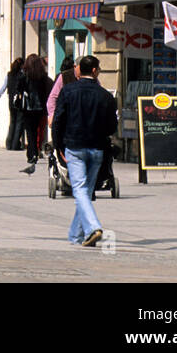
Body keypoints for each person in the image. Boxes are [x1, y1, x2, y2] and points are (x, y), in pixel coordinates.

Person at [51, 55, 117, 247]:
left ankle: (93, 228)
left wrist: (58, 146)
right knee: (85, 191)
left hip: (74, 145)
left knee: (79, 190)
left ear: (80, 69)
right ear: (95, 71)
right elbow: (112, 126)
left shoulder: (68, 91)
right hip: (97, 147)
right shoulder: (105, 96)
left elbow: (58, 120)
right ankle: (76, 235)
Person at [20, 54, 53, 173]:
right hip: (41, 109)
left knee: (30, 132)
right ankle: (37, 151)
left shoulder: (24, 77)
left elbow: (18, 91)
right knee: (40, 130)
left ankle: (31, 154)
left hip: (28, 109)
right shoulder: (44, 77)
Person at [0, 57, 26, 152]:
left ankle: (9, 143)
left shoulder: (9, 75)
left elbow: (3, 87)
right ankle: (15, 144)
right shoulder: (22, 76)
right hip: (19, 101)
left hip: (10, 101)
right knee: (19, 122)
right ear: (21, 65)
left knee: (12, 122)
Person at [46, 56, 77, 124]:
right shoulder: (62, 77)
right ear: (74, 66)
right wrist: (52, 115)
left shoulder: (92, 78)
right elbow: (53, 97)